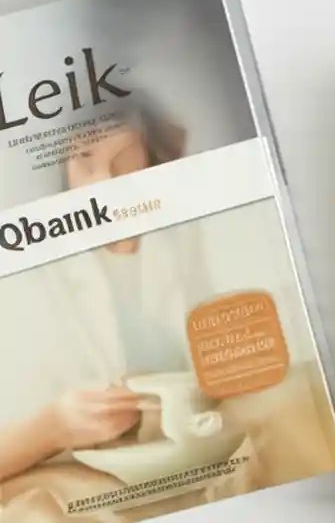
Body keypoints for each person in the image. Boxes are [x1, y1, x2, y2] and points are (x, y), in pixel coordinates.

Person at [0, 108, 200, 485]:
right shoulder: (24, 277)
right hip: (70, 481)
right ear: (63, 169)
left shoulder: (189, 241)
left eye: (124, 164)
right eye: (86, 162)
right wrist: (52, 427)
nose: (106, 182)